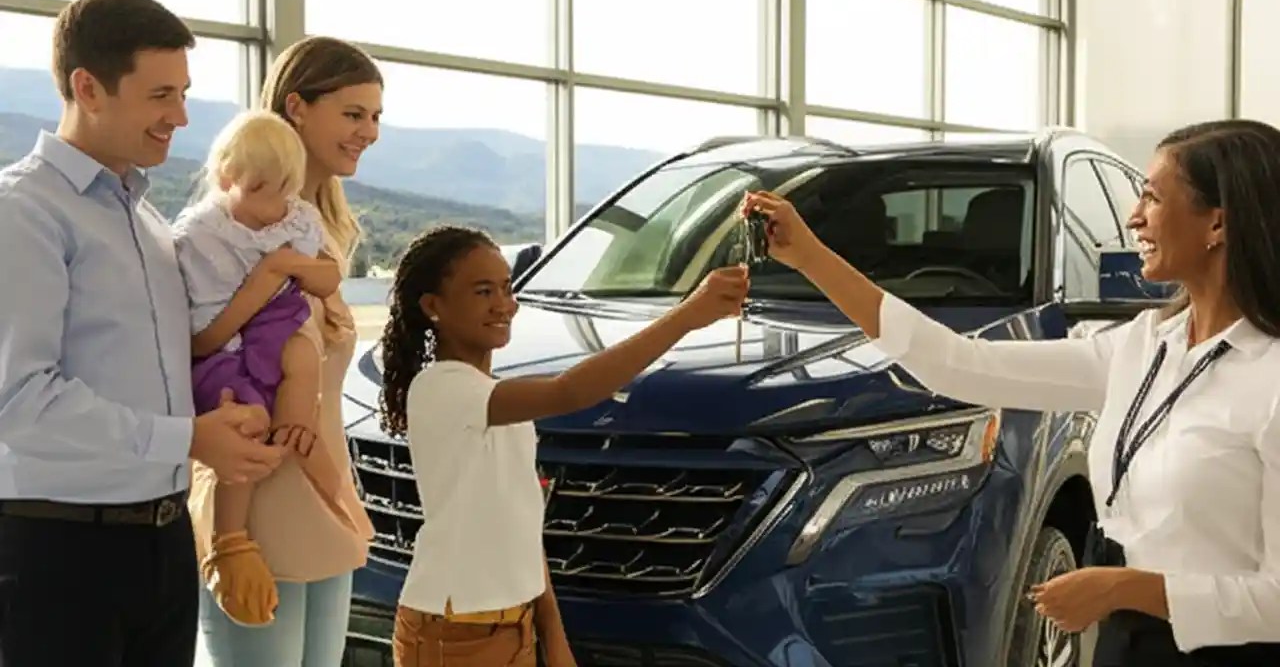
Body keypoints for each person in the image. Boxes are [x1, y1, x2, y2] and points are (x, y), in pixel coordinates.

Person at [741, 119, 1280, 666]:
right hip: (1128, 641)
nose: (1133, 217)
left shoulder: (1270, 380)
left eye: (1152, 197)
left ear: (1218, 222)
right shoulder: (1143, 347)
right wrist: (809, 258)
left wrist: (1125, 588)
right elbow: (958, 365)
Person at [0, 0, 286, 666]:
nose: (180, 116)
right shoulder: (23, 213)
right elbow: (19, 399)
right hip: (56, 555)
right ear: (87, 88)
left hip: (163, 542)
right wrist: (190, 437)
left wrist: (219, 412)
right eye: (161, 95)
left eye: (182, 94)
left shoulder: (151, 224)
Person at [377, 225, 750, 667]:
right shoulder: (442, 389)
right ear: (433, 306)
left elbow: (521, 526)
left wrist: (553, 638)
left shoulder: (490, 397)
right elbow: (569, 392)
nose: (503, 304)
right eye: (483, 292)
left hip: (512, 627)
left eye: (506, 288)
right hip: (454, 633)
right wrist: (689, 314)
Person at [191, 35, 381, 667]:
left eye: (375, 116)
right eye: (353, 113)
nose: (369, 132)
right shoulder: (230, 230)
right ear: (297, 107)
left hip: (320, 483)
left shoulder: (320, 228)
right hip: (255, 491)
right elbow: (200, 350)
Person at [174, 109, 355, 627]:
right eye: (259, 191)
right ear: (226, 177)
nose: (272, 208)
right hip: (225, 345)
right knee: (247, 417)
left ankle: (294, 426)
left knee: (301, 355)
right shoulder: (201, 234)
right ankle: (230, 536)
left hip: (274, 323)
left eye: (283, 193)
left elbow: (326, 276)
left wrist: (293, 266)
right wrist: (274, 271)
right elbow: (203, 335)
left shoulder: (295, 220)